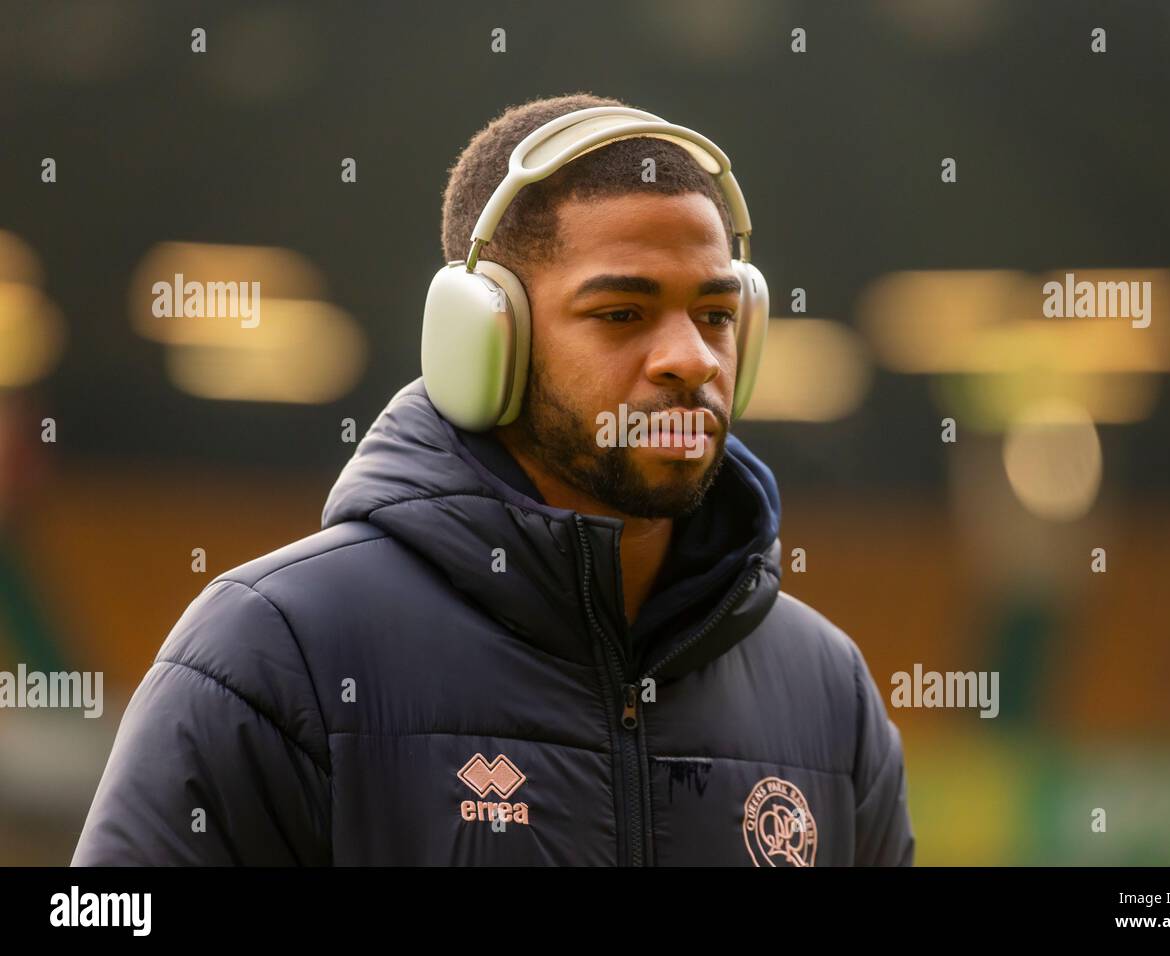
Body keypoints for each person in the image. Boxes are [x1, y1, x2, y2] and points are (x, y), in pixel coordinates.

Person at [72, 92, 914, 866]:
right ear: (484, 343)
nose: (691, 358)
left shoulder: (826, 693)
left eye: (716, 316)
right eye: (622, 313)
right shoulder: (273, 653)